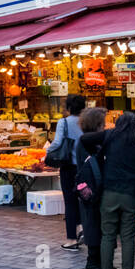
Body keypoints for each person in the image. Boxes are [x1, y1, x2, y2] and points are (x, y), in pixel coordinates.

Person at [80, 109, 135, 269]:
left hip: (109, 193)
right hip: (131, 194)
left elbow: (84, 139)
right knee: (127, 237)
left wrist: (97, 154)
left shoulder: (110, 135)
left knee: (108, 236)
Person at [76, 106, 108, 269]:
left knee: (96, 223)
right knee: (93, 223)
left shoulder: (86, 141)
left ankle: (99, 260)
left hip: (91, 188)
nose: (105, 126)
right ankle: (93, 261)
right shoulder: (86, 142)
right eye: (102, 123)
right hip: (91, 189)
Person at [51, 95, 86, 250]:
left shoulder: (63, 122)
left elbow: (57, 142)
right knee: (85, 199)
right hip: (85, 167)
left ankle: (71, 239)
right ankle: (83, 229)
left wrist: (48, 152)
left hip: (69, 167)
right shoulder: (87, 121)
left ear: (69, 108)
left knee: (70, 202)